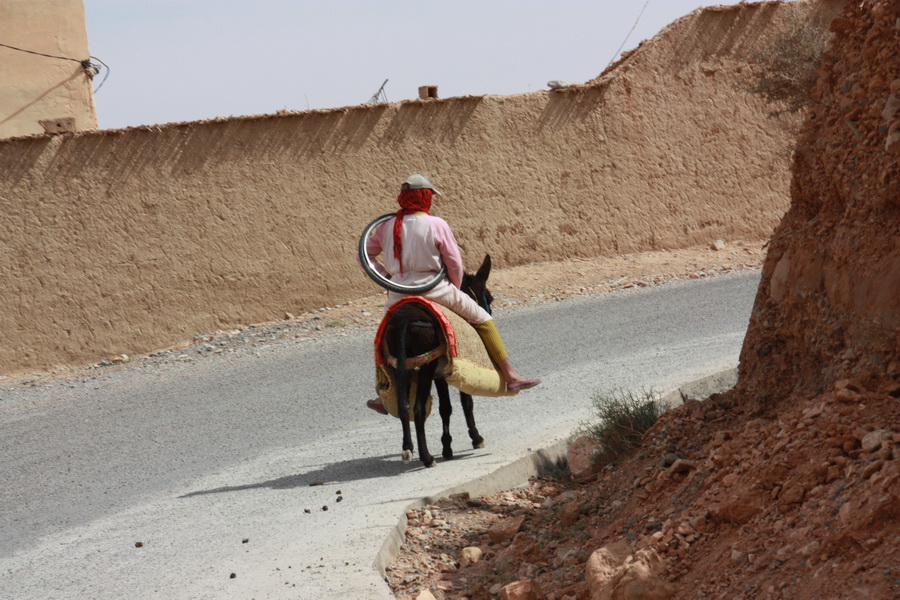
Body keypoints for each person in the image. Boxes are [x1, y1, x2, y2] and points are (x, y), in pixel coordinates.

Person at [363, 173, 540, 414]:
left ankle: (383, 394)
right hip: (436, 289)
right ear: (425, 197)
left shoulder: (386, 226)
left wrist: (389, 280)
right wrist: (455, 289)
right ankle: (510, 374)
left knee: (383, 337)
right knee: (483, 319)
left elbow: (364, 256)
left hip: (399, 294)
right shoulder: (437, 224)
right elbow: (454, 263)